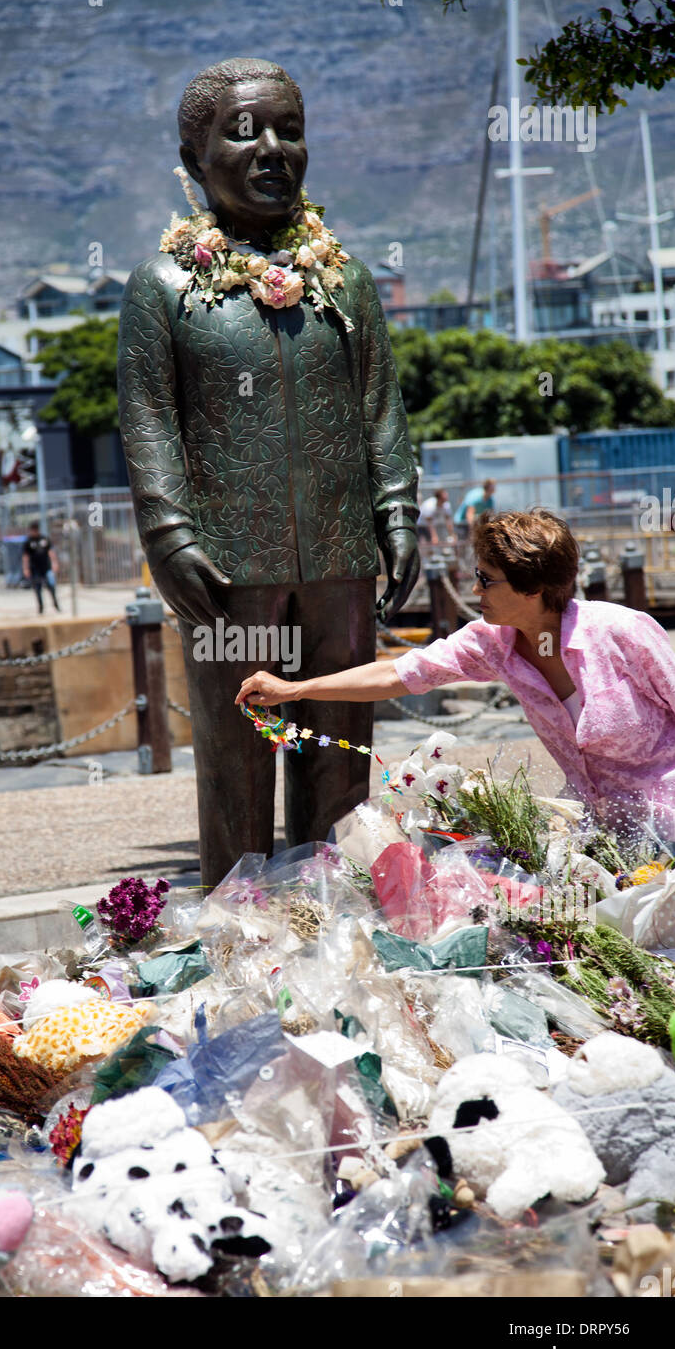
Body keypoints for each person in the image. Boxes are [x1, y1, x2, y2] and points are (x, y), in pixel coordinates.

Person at [117, 58, 420, 890]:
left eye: (289, 129)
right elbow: (148, 422)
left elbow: (379, 404)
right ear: (195, 155)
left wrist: (396, 507)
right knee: (239, 761)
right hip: (228, 570)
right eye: (244, 132)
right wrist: (170, 535)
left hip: (339, 562)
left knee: (339, 756)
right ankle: (238, 933)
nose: (272, 148)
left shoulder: (344, 280)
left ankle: (339, 923)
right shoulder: (163, 287)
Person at [236, 508, 675, 846]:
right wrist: (295, 689)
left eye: (485, 580)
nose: (474, 591)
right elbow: (398, 672)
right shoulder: (492, 643)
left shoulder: (622, 632)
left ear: (531, 587)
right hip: (599, 837)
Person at [22, 521, 61, 614]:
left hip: (46, 568)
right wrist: (26, 568)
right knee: (37, 589)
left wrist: (54, 563)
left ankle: (56, 605)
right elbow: (25, 556)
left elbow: (51, 552)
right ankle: (41, 608)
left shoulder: (44, 539)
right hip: (35, 569)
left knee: (51, 587)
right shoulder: (28, 542)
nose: (34, 532)